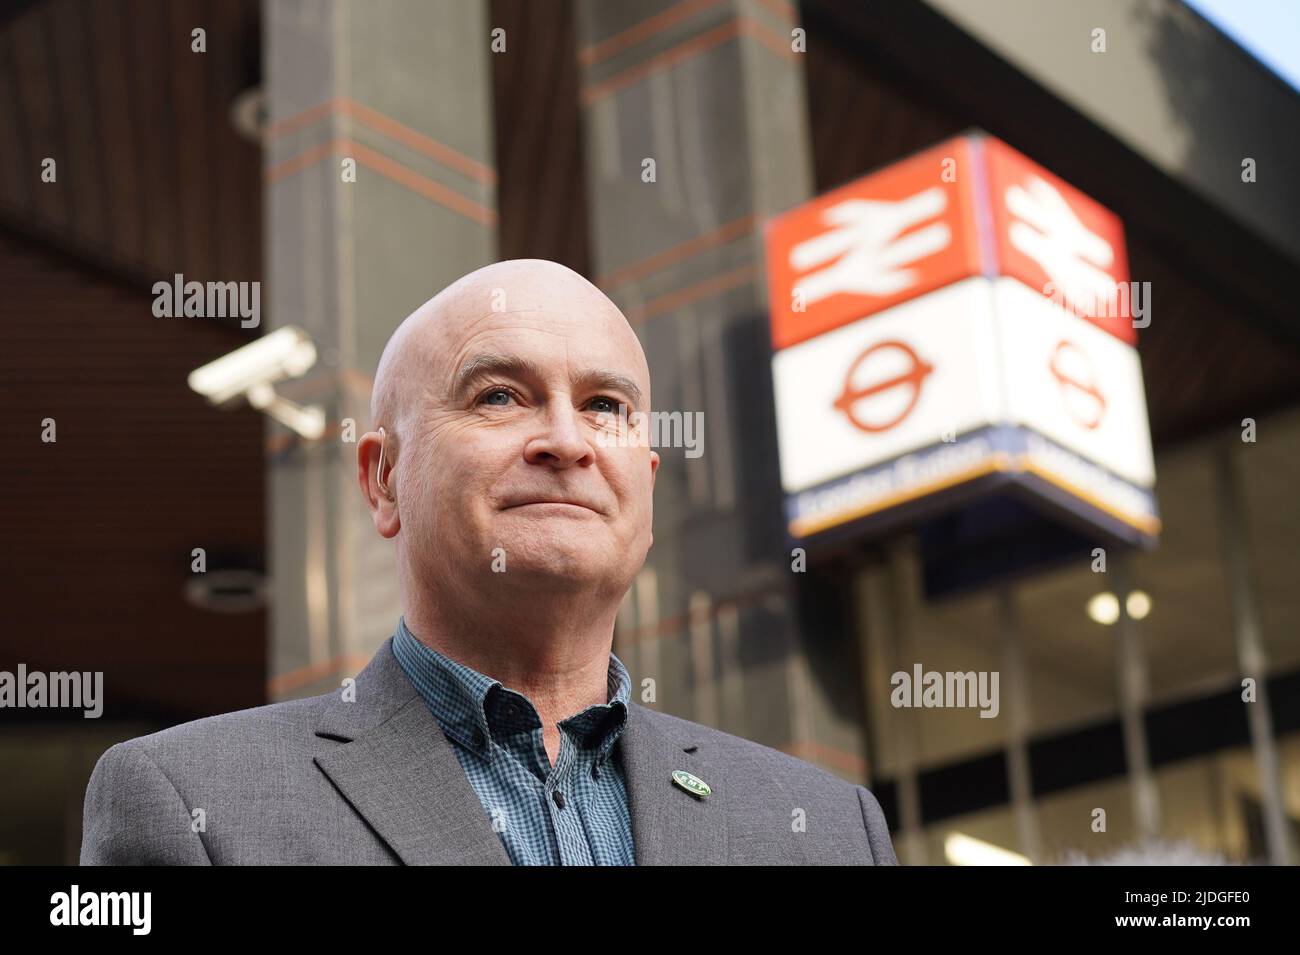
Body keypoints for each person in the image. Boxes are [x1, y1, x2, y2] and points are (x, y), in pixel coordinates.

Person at [79, 259, 898, 865]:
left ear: (645, 484)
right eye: (499, 395)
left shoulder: (827, 829)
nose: (567, 440)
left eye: (604, 406)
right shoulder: (188, 799)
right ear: (384, 477)